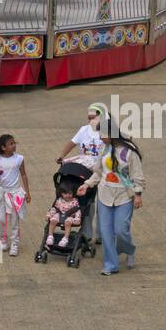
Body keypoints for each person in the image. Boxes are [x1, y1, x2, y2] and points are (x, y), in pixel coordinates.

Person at [77, 133, 145, 275]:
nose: (101, 138)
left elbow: (137, 175)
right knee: (106, 232)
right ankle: (111, 265)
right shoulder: (104, 148)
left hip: (124, 196)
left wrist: (138, 194)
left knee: (121, 230)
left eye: (103, 135)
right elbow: (98, 172)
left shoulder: (130, 151)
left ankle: (129, 250)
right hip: (104, 195)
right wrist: (87, 184)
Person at [56, 103, 106, 240]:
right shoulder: (84, 130)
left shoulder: (107, 131)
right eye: (89, 118)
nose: (91, 121)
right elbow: (72, 143)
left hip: (102, 169)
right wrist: (62, 156)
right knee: (88, 204)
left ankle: (102, 235)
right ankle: (87, 233)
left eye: (94, 118)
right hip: (85, 171)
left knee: (103, 205)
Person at [0, 133, 31, 256]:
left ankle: (15, 244)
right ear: (3, 147)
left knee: (14, 220)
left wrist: (27, 192)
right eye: (10, 144)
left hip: (15, 193)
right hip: (1, 192)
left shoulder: (19, 159)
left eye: (14, 143)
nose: (13, 145)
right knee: (0, 218)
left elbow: (23, 174)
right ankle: (3, 239)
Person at [45, 178, 82, 249]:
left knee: (68, 222)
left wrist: (77, 219)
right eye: (65, 193)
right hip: (59, 215)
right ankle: (50, 236)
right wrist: (49, 215)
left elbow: (77, 211)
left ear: (73, 193)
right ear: (61, 194)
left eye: (70, 193)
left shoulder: (74, 202)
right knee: (52, 220)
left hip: (70, 217)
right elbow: (55, 209)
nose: (68, 195)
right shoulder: (59, 201)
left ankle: (65, 238)